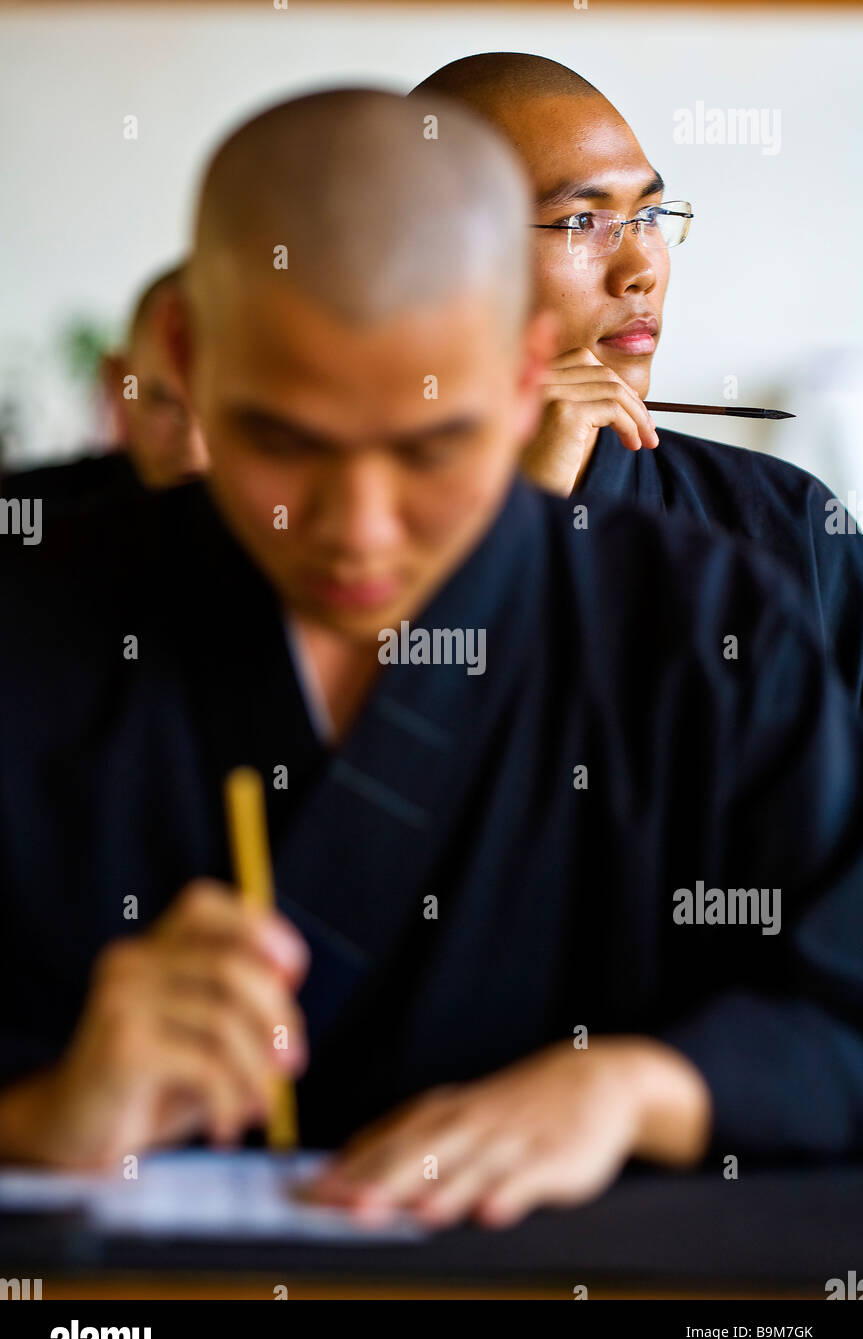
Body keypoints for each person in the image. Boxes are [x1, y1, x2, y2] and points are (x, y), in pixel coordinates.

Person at [1, 90, 863, 1230]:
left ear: (521, 369)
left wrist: (635, 1088)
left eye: (430, 446)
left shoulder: (704, 628)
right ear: (183, 353)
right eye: (283, 440)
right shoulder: (33, 621)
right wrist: (36, 1112)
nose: (358, 526)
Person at [412, 54, 863, 710]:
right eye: (579, 223)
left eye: (649, 216)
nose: (639, 269)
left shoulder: (783, 520)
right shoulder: (344, 529)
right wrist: (525, 514)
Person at [1, 265, 208, 514]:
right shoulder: (24, 516)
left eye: (218, 409)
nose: (194, 447)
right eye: (162, 401)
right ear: (120, 379)